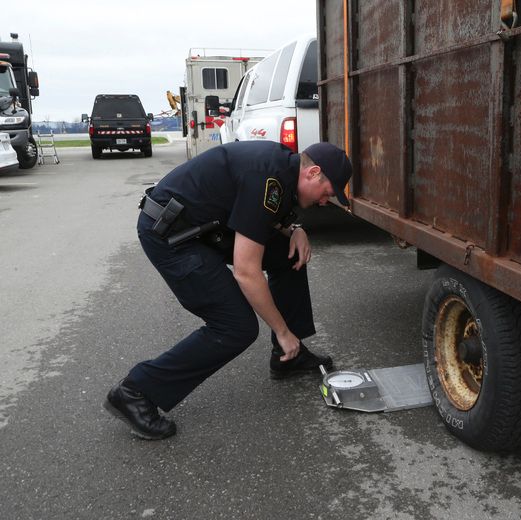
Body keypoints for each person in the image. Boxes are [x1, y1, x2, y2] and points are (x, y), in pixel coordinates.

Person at [104, 140, 352, 440]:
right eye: (327, 193)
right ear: (313, 173)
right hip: (172, 236)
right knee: (236, 327)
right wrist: (282, 329)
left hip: (205, 228)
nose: (326, 202)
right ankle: (135, 391)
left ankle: (288, 357)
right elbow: (247, 273)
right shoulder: (267, 178)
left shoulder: (283, 169)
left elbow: (263, 213)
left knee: (288, 253)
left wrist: (295, 230)